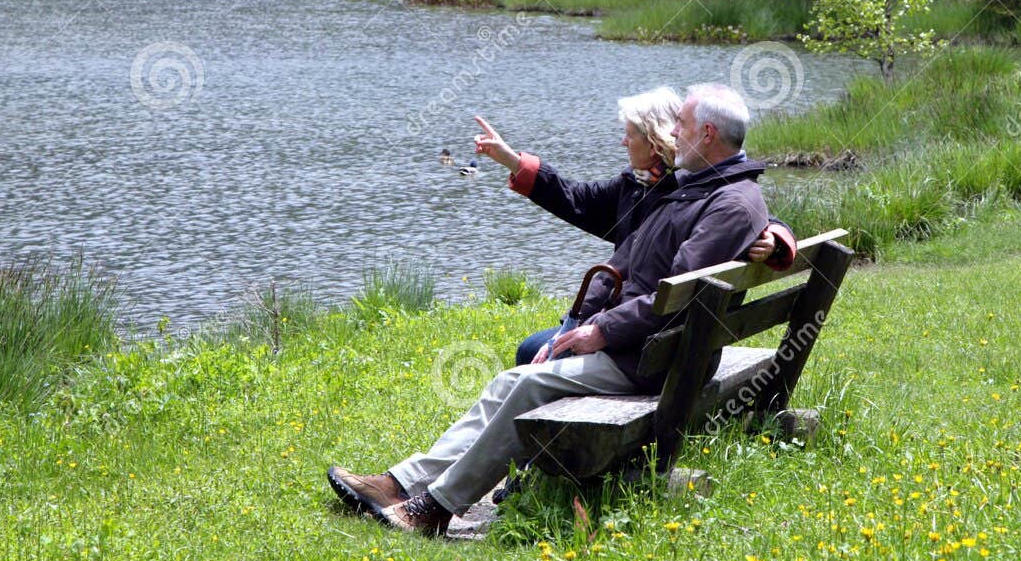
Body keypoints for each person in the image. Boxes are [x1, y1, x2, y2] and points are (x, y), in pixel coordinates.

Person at [328, 83, 774, 537]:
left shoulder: (727, 201)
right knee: (511, 380)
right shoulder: (699, 188)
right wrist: (588, 323)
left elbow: (674, 294)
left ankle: (435, 508)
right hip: (649, 350)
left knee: (532, 383)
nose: (674, 133)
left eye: (682, 126)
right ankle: (403, 482)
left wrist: (598, 331)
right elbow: (612, 233)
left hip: (654, 360)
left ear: (708, 134)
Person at [472, 88, 794, 364]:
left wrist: (775, 238)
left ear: (653, 141)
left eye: (630, 134)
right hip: (633, 320)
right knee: (533, 349)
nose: (623, 142)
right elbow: (577, 200)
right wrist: (514, 161)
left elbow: (746, 211)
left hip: (645, 334)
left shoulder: (685, 186)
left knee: (531, 351)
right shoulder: (635, 186)